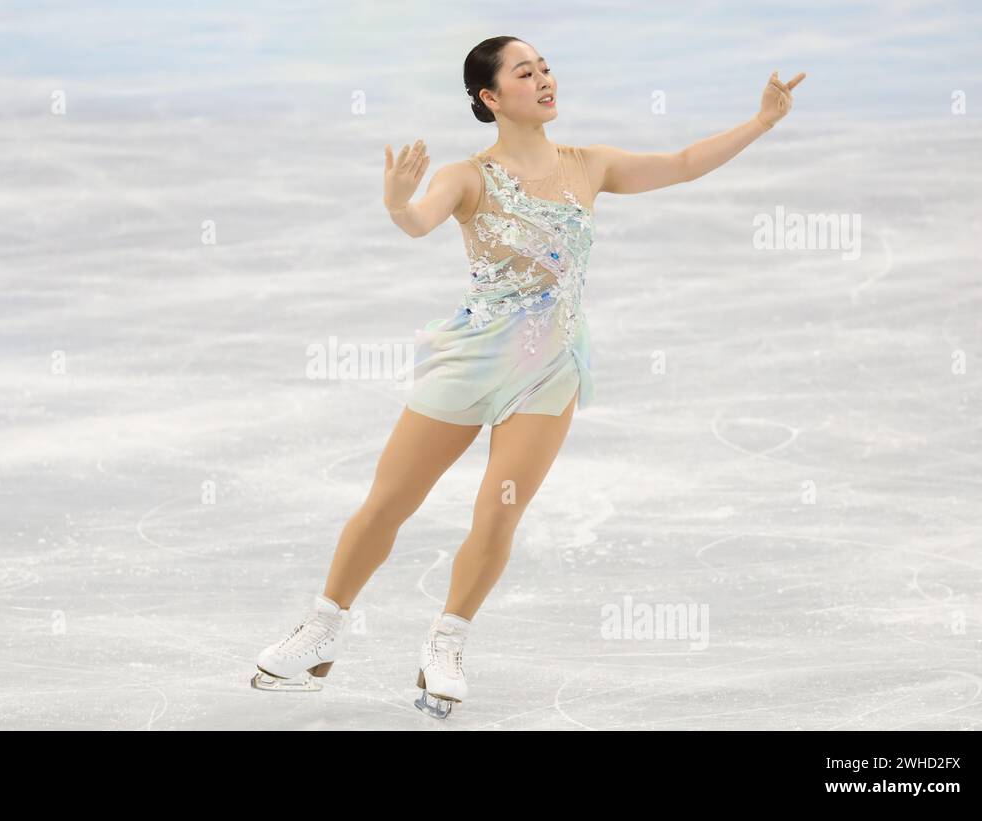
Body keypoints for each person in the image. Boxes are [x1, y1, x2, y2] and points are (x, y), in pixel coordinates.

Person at [252, 36, 805, 718]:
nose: (544, 78)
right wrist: (397, 202)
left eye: (544, 67)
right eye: (525, 72)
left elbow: (684, 164)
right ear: (491, 97)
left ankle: (446, 642)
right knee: (389, 501)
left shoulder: (589, 165)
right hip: (471, 360)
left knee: (499, 509)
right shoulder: (467, 175)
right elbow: (419, 220)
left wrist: (761, 121)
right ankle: (322, 628)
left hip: (549, 370)